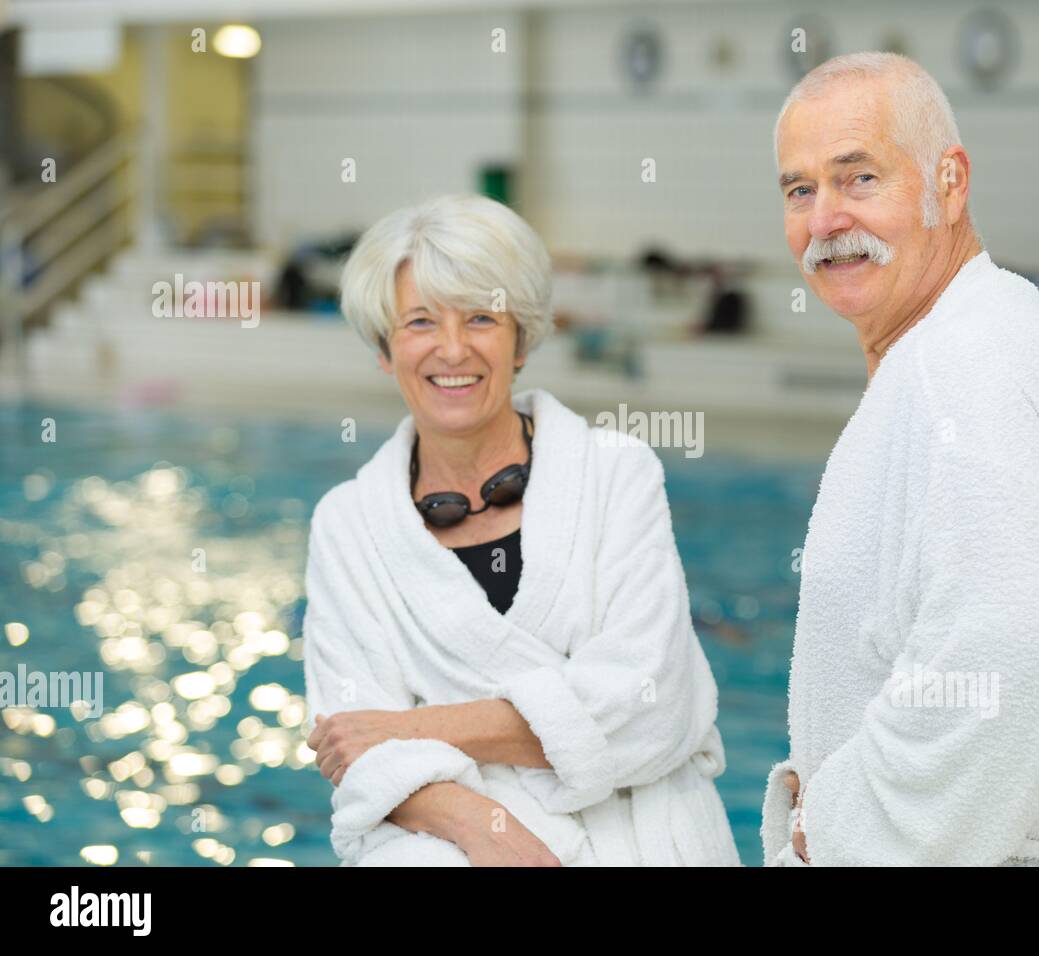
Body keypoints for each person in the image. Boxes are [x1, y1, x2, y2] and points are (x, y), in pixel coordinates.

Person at [761, 52, 1039, 866]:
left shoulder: (963, 372)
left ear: (950, 181)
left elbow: (1013, 659)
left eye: (858, 178)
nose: (825, 219)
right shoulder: (966, 343)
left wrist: (833, 831)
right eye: (800, 190)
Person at [303, 193, 739, 867]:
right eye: (420, 321)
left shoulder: (615, 475)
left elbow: (651, 706)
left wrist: (415, 728)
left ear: (522, 340)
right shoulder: (349, 525)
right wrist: (489, 828)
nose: (453, 349)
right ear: (386, 350)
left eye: (481, 317)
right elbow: (357, 752)